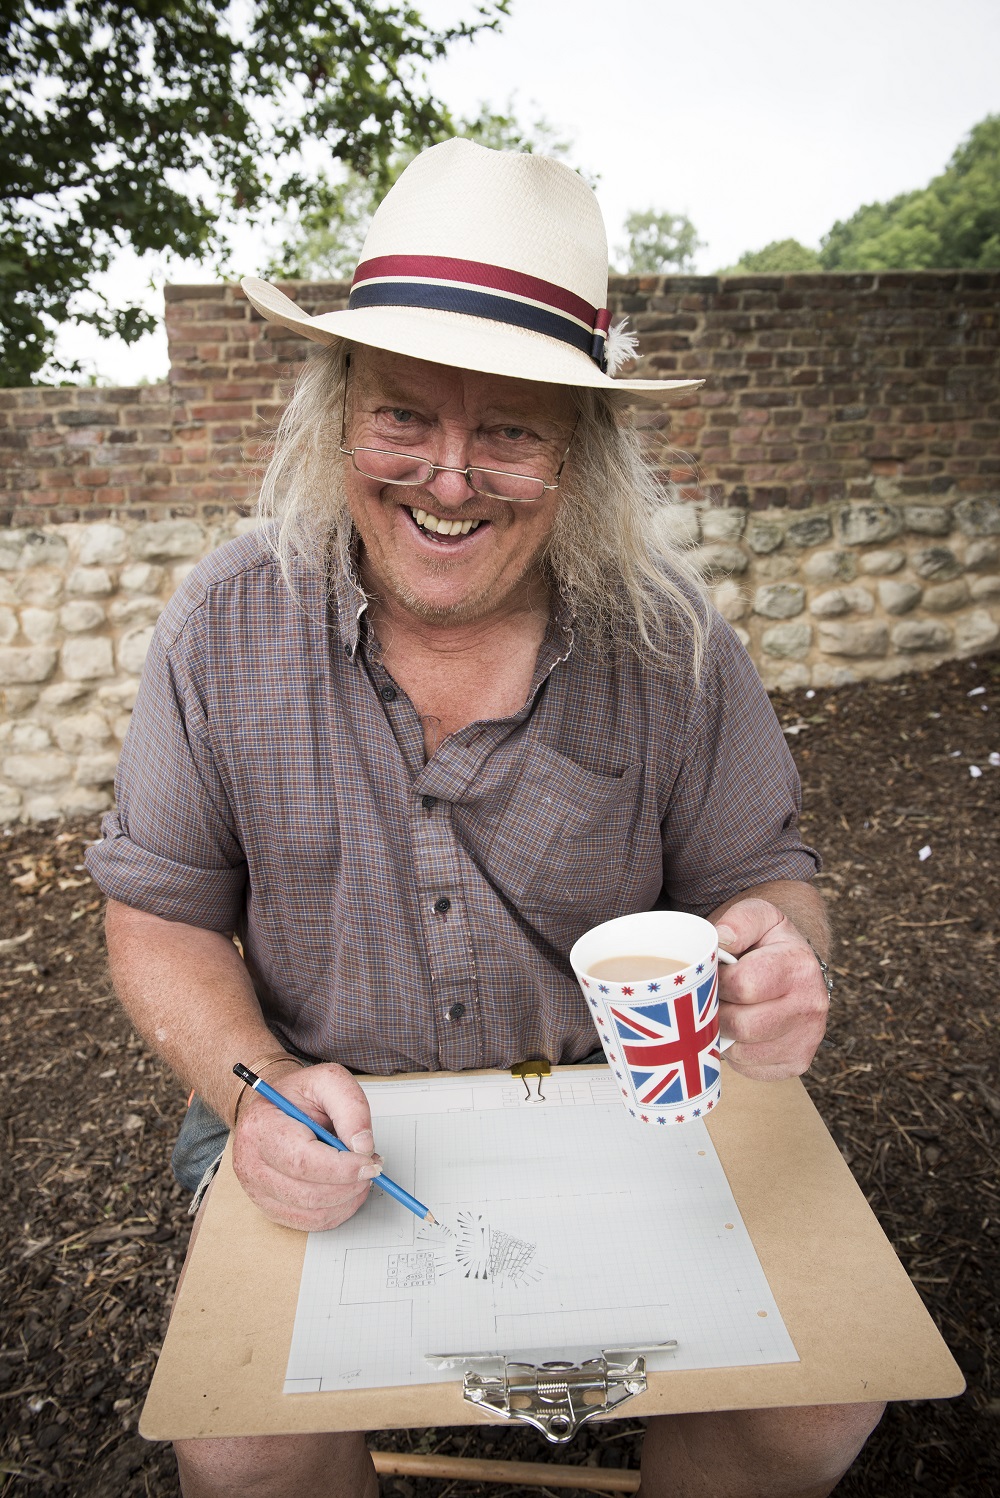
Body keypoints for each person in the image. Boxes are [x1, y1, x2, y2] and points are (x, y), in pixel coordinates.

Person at [87, 139, 883, 1498]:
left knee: (815, 1406)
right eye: (405, 416)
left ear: (581, 455)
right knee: (240, 1443)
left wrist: (774, 952)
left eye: (509, 429)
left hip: (619, 1113)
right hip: (320, 1118)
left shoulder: (675, 644)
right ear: (337, 414)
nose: (449, 479)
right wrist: (253, 1080)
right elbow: (158, 913)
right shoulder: (223, 624)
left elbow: (764, 872)